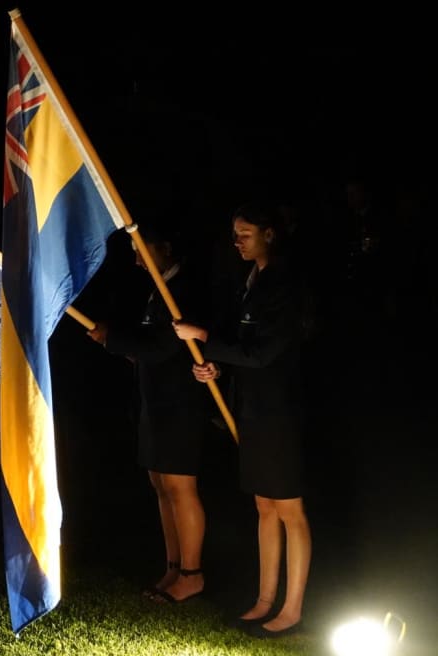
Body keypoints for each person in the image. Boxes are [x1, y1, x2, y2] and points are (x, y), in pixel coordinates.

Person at [173, 201, 312, 638]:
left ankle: (292, 608)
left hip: (280, 414)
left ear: (269, 234)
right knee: (263, 507)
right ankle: (265, 599)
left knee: (289, 510)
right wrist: (217, 367)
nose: (237, 242)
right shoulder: (251, 281)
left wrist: (206, 340)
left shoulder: (285, 283)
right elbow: (243, 347)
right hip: (251, 410)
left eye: (245, 234)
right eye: (234, 234)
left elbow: (266, 352)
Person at [86, 221, 210, 604]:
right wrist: (122, 344)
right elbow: (148, 344)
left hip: (180, 403)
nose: (138, 260)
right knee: (160, 484)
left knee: (179, 485)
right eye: (135, 253)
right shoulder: (159, 290)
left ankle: (192, 573)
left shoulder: (185, 288)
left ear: (166, 248)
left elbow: (165, 345)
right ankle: (173, 567)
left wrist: (114, 339)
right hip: (154, 399)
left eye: (144, 250)